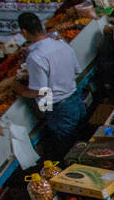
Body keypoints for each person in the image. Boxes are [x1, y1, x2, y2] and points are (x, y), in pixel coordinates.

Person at [13, 12, 84, 161]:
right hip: (76, 99)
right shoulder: (61, 43)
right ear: (41, 26)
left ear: (24, 32)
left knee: (68, 150)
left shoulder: (35, 57)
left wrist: (18, 88)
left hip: (60, 109)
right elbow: (77, 70)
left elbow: (39, 91)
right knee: (81, 141)